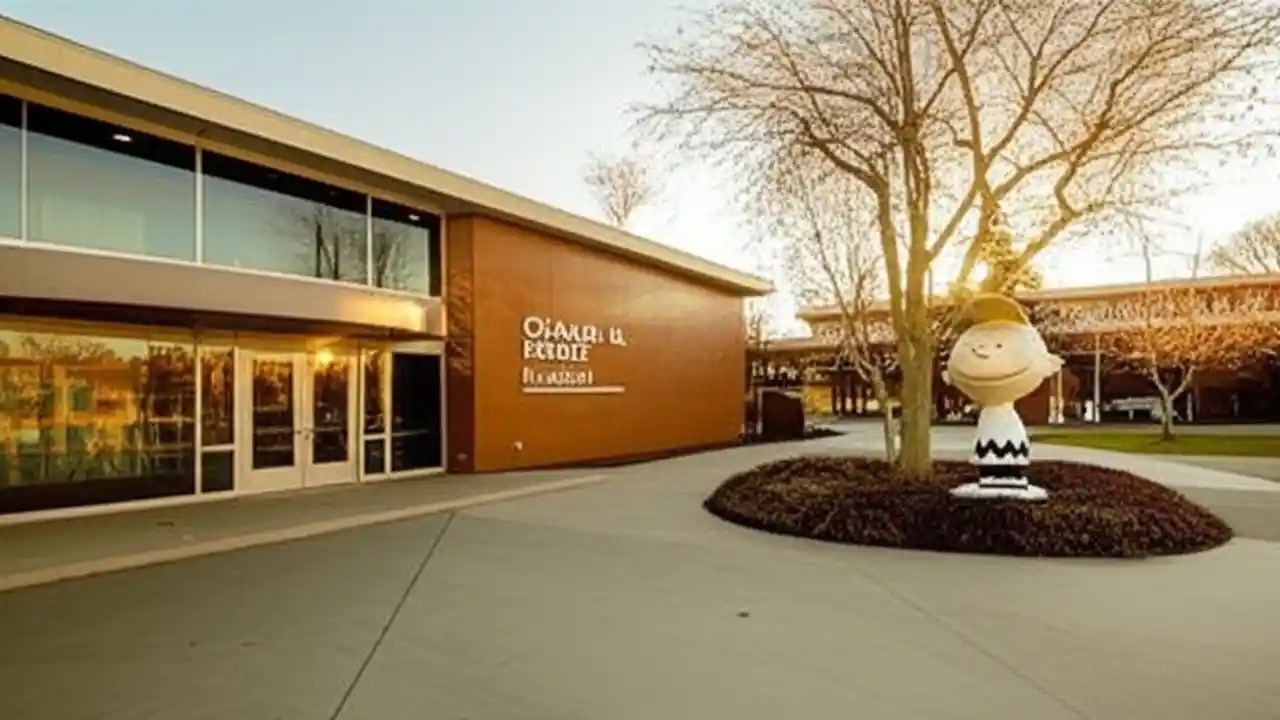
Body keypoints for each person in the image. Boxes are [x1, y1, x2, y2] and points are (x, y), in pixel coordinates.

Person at [942, 293, 1063, 501]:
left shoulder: (1024, 338)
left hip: (1007, 432)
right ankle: (990, 474)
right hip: (992, 432)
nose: (984, 352)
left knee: (1004, 446)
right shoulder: (974, 336)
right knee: (992, 445)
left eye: (998, 346)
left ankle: (1010, 475)